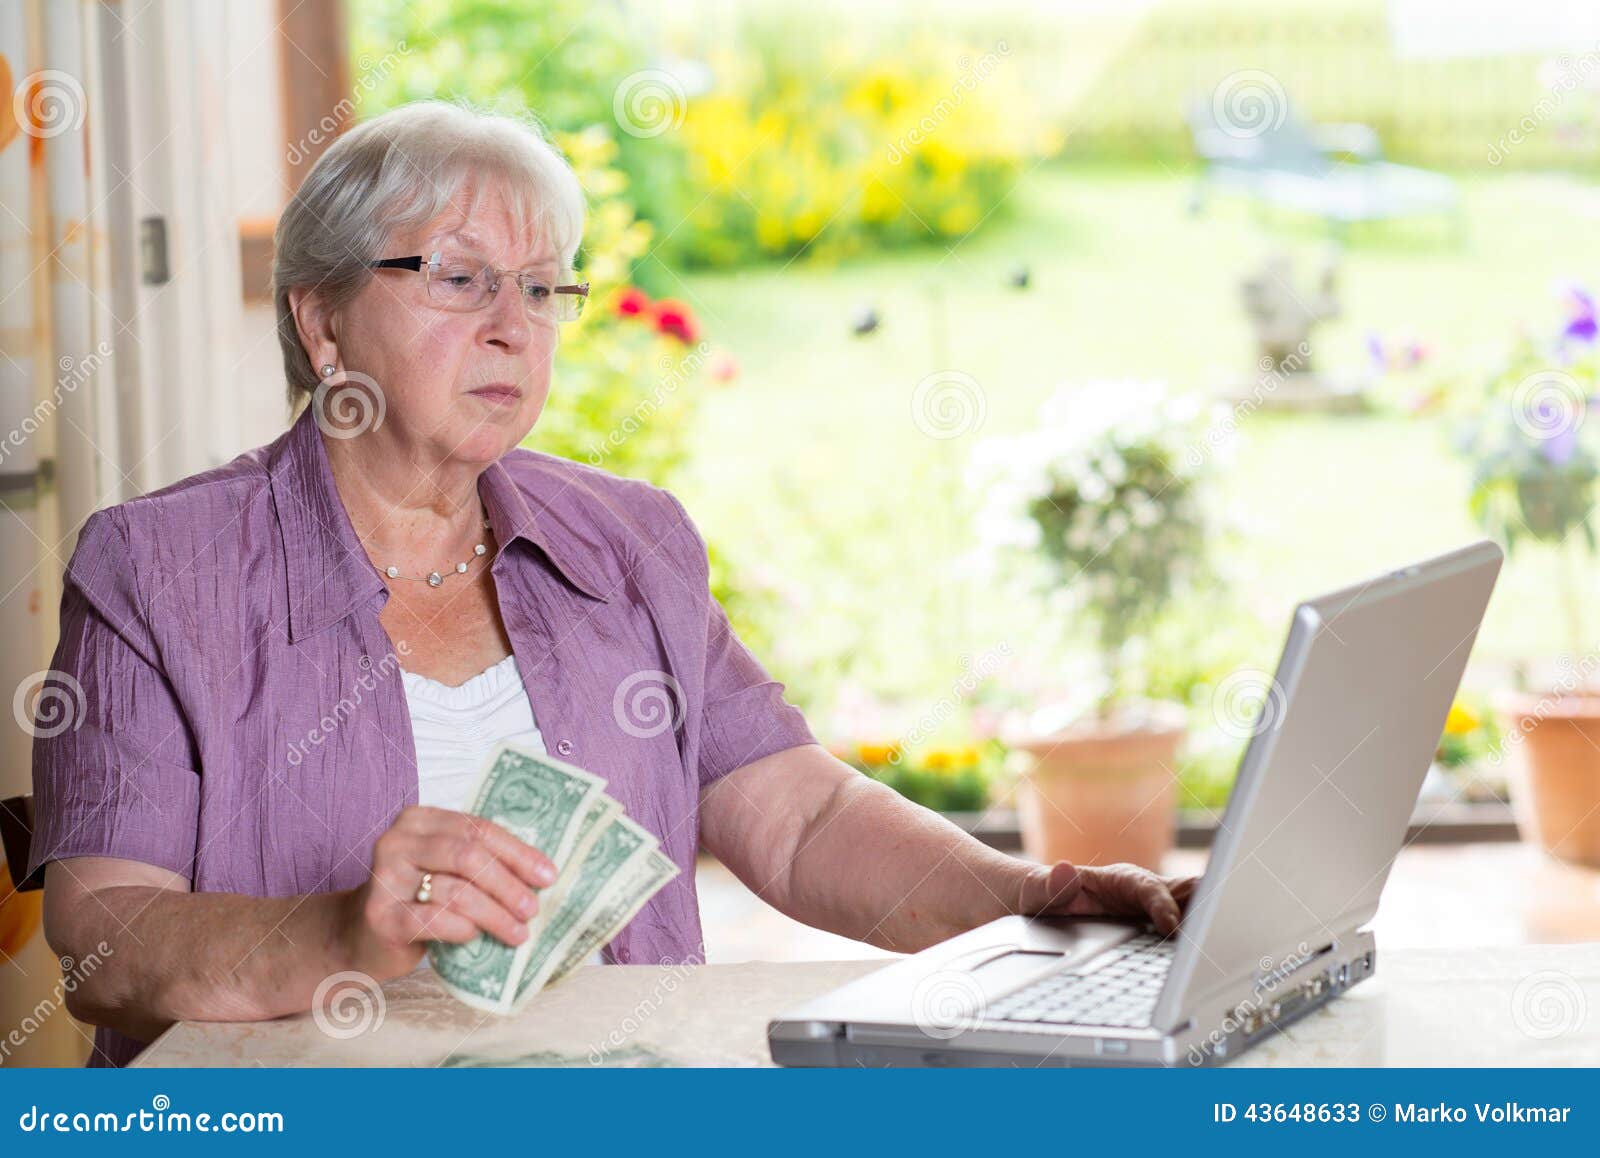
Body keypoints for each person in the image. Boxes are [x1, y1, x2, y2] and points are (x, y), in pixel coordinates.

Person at [29, 100, 1195, 1066]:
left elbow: (802, 818)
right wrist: (342, 930)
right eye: (459, 278)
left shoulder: (629, 541)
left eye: (542, 290)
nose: (512, 328)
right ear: (322, 320)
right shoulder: (157, 570)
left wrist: (1025, 894)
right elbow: (102, 944)